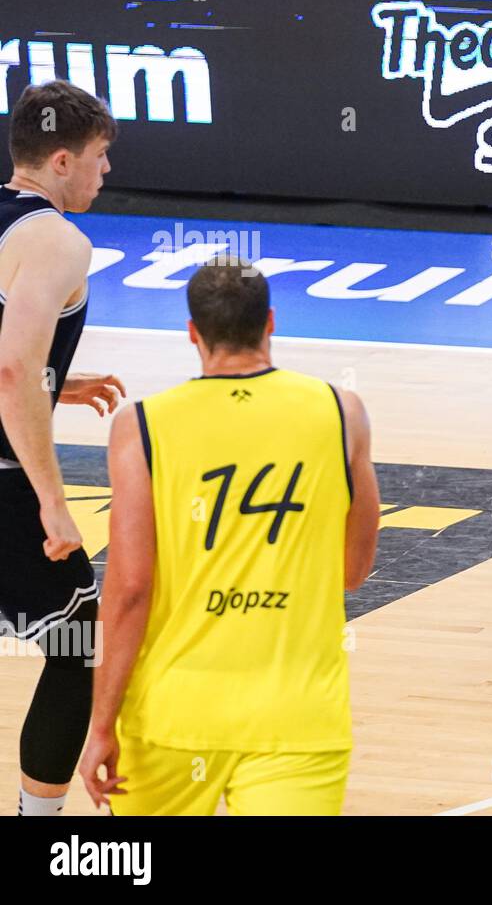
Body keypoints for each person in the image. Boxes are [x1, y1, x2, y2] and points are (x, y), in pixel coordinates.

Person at [78, 258, 381, 815]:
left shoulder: (141, 425)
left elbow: (128, 590)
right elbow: (353, 570)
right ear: (270, 322)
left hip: (171, 715)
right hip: (296, 715)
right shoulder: (342, 412)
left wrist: (100, 722)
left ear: (192, 333)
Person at [0, 80, 124, 815]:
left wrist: (57, 382)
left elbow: (18, 365)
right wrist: (53, 501)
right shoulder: (57, 237)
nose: (105, 171)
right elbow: (12, 368)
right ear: (60, 160)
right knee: (82, 645)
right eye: (100, 156)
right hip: (6, 478)